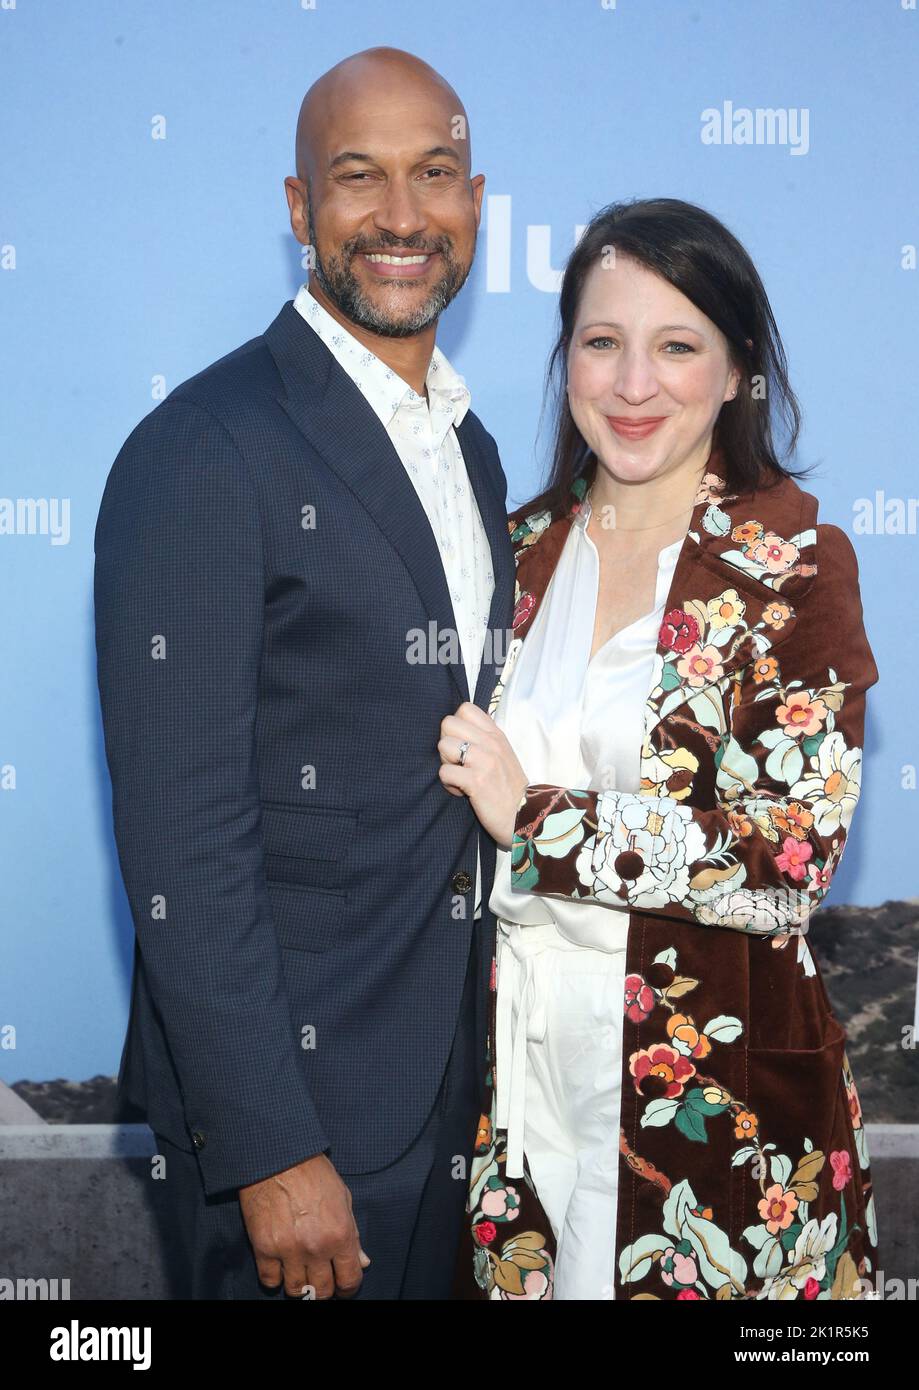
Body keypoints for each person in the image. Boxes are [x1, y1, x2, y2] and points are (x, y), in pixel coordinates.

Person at [94, 46, 514, 1300]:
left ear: (476, 204)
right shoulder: (205, 450)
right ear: (298, 211)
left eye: (432, 174)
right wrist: (271, 1147)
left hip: (458, 1100)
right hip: (299, 1124)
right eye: (357, 178)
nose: (400, 215)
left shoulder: (471, 446)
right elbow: (183, 838)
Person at [442, 198, 881, 1301]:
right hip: (522, 1089)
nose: (633, 384)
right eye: (602, 342)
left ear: (736, 371)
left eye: (676, 346)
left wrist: (534, 816)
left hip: (718, 1114)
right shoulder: (512, 554)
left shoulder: (794, 565)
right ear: (566, 359)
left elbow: (789, 861)